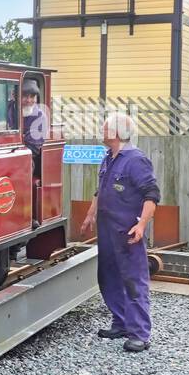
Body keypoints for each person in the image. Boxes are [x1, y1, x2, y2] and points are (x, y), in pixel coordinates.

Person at [79, 112, 160, 352]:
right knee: (109, 276)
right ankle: (121, 322)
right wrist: (90, 214)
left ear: (116, 133)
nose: (101, 131)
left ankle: (140, 334)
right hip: (106, 229)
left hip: (127, 232)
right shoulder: (108, 157)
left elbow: (152, 195)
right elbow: (100, 190)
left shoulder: (136, 160)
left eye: (104, 128)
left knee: (133, 281)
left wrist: (142, 224)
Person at [21, 80, 48, 178]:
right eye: (25, 96)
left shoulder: (40, 117)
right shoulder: (7, 109)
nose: (29, 100)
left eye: (32, 97)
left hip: (27, 158)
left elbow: (32, 146)